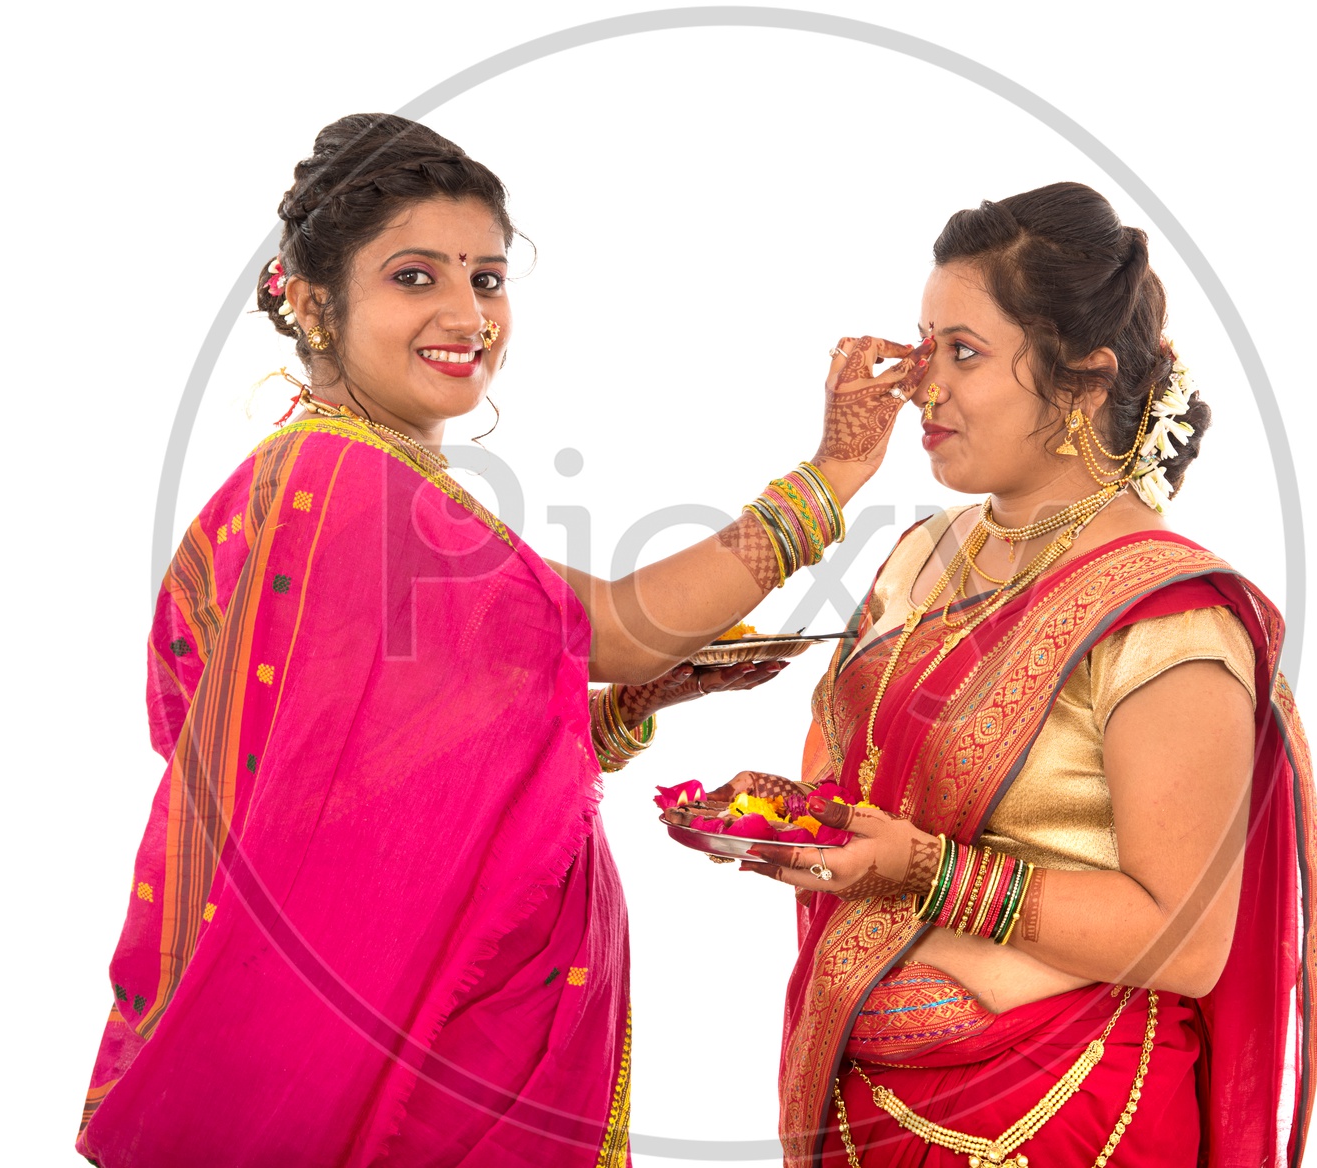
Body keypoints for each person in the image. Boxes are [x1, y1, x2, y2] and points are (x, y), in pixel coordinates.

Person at [75, 112, 932, 1167]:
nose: (464, 312)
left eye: (484, 277)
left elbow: (418, 748)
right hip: (421, 1071)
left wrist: (626, 708)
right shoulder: (348, 486)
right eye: (414, 277)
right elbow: (616, 624)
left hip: (445, 1033)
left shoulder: (345, 478)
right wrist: (835, 474)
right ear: (309, 297)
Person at [721, 182, 1317, 1168]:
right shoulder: (920, 553)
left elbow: (1186, 940)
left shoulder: (1165, 616)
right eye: (924, 346)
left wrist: (923, 871)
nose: (924, 384)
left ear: (1082, 381)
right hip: (862, 1099)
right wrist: (798, 819)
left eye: (964, 352)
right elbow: (868, 786)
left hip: (1067, 1113)